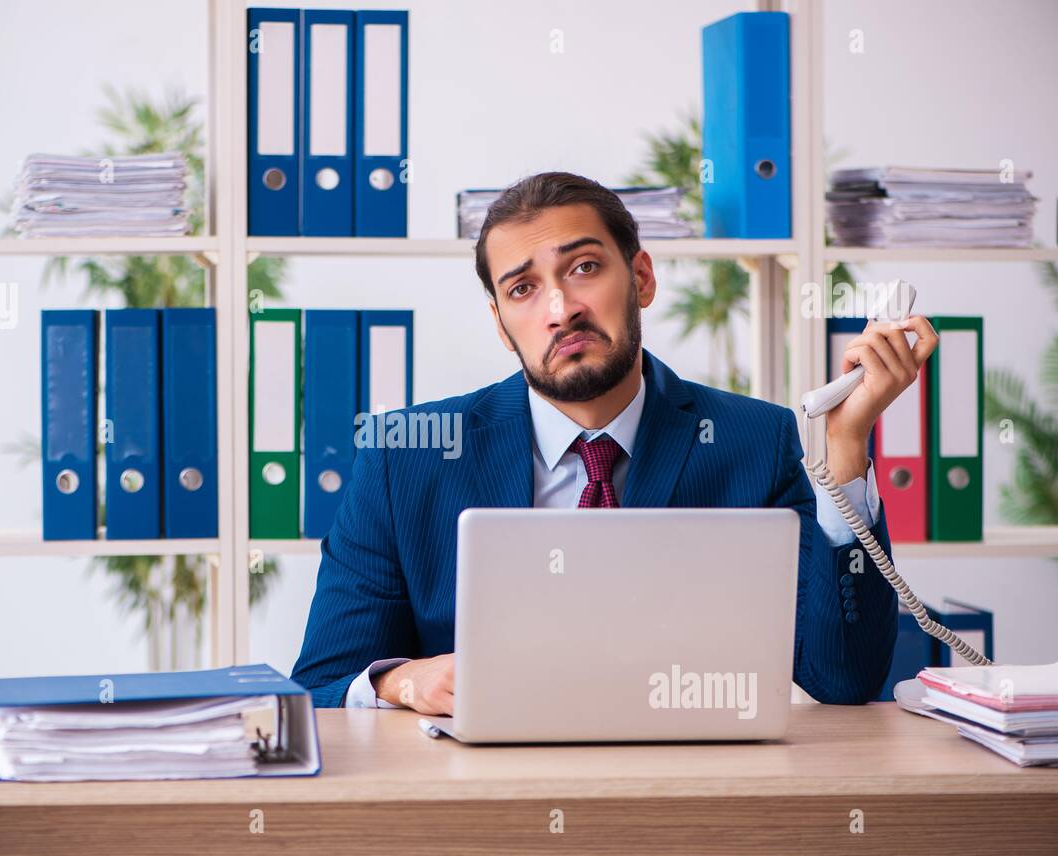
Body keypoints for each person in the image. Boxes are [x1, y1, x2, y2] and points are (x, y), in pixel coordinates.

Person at [291, 171, 936, 714]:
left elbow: (845, 680)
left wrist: (846, 448)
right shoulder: (403, 459)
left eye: (584, 268)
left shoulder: (756, 442)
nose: (559, 308)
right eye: (522, 288)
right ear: (500, 323)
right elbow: (320, 685)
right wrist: (406, 681)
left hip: (687, 804)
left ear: (642, 279)